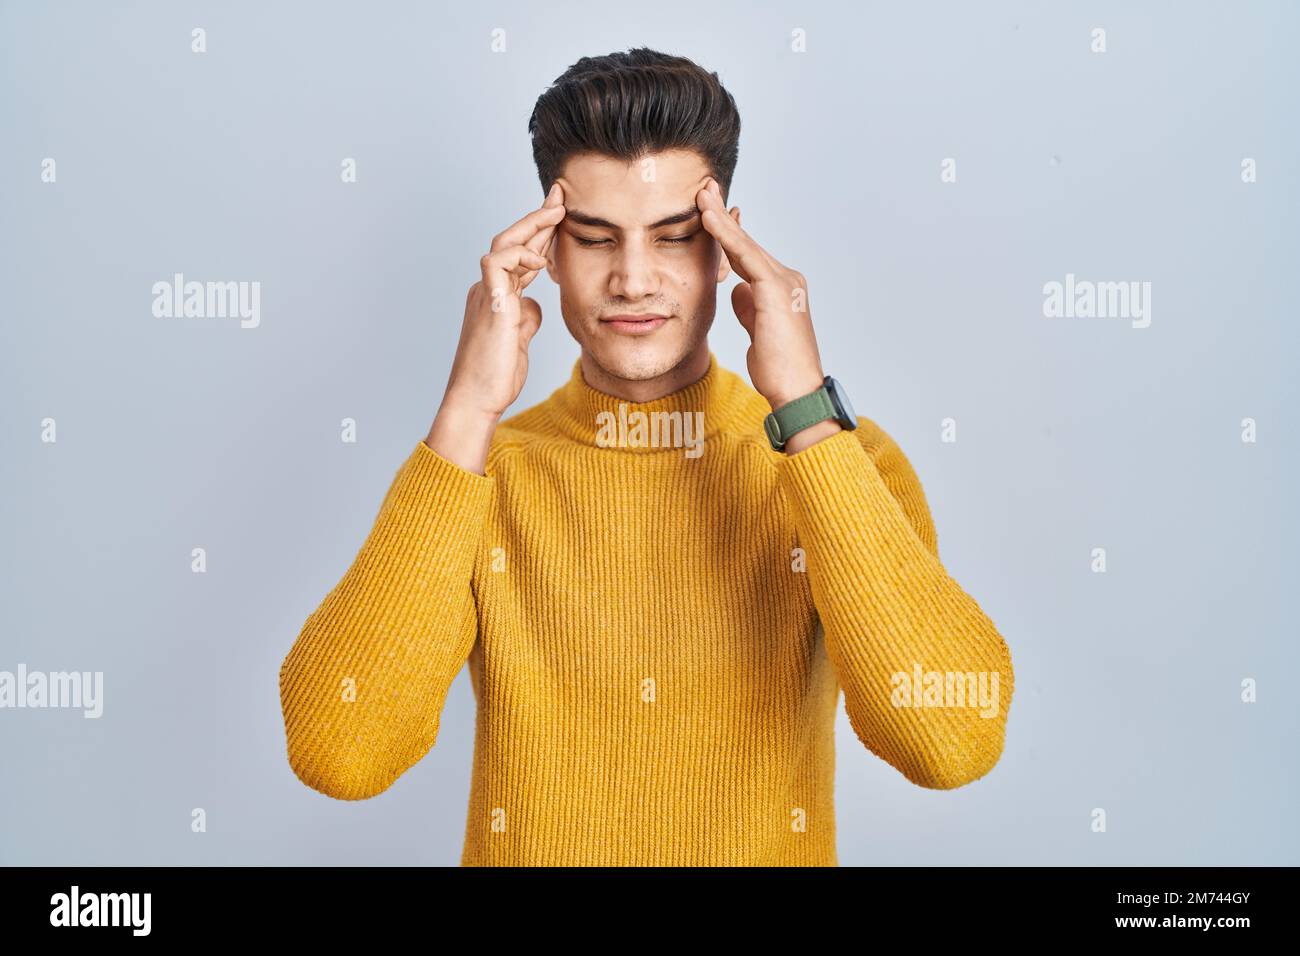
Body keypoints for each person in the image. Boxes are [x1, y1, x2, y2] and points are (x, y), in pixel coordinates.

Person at [278, 47, 1014, 867]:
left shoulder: (840, 463)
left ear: (728, 248)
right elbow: (339, 752)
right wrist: (467, 412)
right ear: (548, 253)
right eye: (595, 240)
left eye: (674, 238)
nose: (633, 279)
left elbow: (952, 743)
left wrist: (803, 406)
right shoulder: (485, 474)